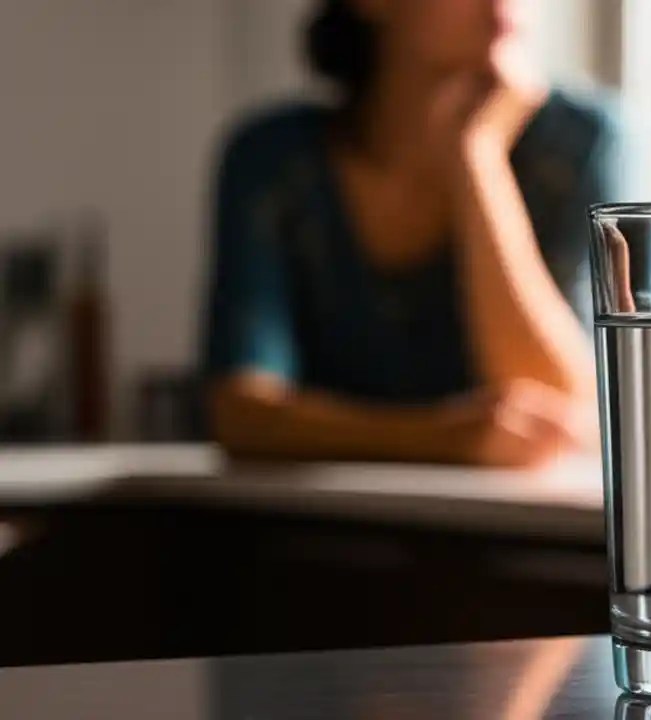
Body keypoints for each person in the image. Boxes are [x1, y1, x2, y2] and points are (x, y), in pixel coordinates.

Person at [201, 0, 616, 466]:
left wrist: (478, 158)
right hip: (317, 507)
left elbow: (562, 415)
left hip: (521, 512)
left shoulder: (583, 144)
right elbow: (239, 411)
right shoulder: (274, 160)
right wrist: (438, 438)